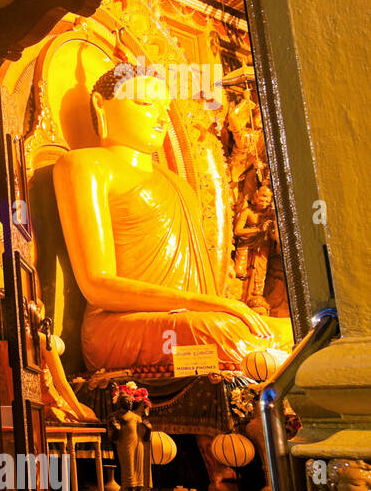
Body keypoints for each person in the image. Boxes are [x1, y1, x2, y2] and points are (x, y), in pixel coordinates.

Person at [53, 64, 292, 372]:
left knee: (295, 330)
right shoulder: (86, 165)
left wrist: (216, 305)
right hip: (117, 327)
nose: (159, 117)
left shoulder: (178, 184)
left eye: (164, 108)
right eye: (144, 104)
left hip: (194, 318)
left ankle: (266, 360)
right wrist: (216, 306)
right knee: (225, 334)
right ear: (101, 104)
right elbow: (97, 286)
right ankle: (266, 362)